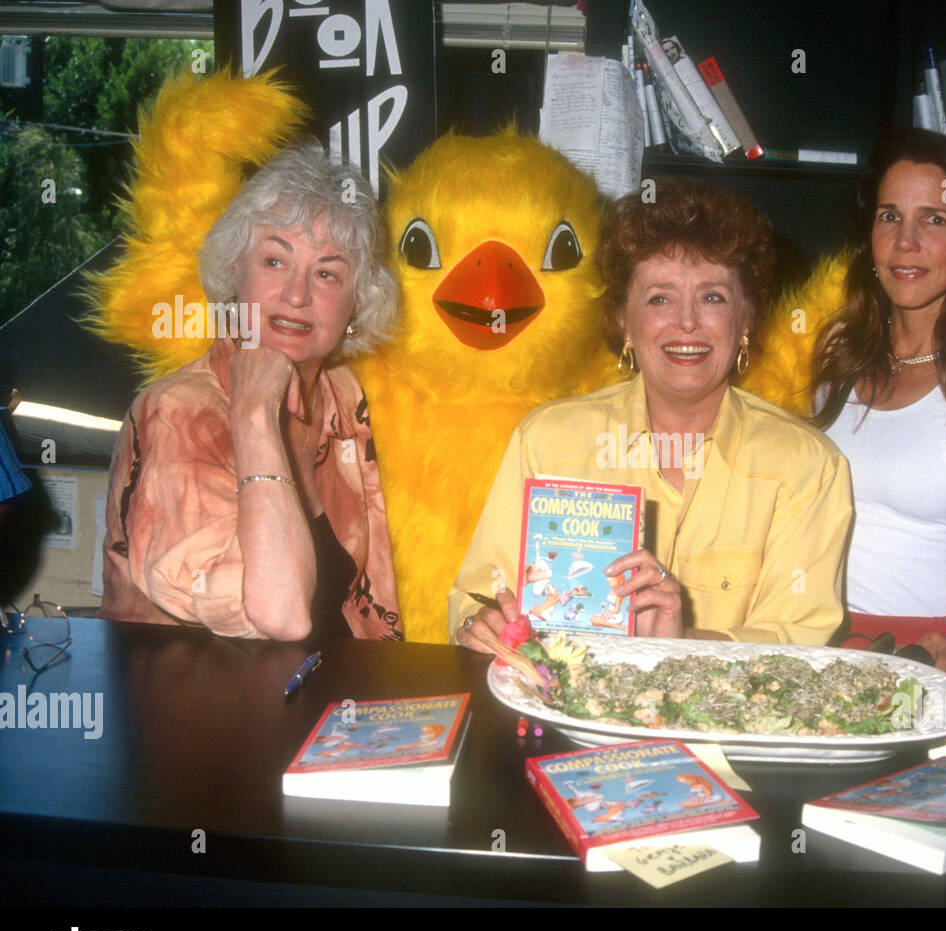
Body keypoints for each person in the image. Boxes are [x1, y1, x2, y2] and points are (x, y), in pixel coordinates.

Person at [452, 177, 852, 647]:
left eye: (713, 297)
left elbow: (800, 645)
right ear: (622, 319)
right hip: (559, 711)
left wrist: (679, 641)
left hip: (718, 718)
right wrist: (480, 626)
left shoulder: (808, 466)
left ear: (746, 319)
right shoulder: (547, 440)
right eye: (659, 297)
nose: (686, 322)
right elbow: (475, 597)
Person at [101, 143, 403, 641]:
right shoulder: (178, 412)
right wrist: (254, 415)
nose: (298, 295)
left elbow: (369, 609)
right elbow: (278, 613)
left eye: (327, 273)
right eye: (274, 261)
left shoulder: (342, 395)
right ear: (233, 273)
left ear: (357, 306)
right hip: (193, 711)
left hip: (324, 701)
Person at [808, 130, 946, 659]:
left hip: (934, 651)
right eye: (889, 215)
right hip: (816, 640)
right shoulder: (835, 358)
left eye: (934, 219)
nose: (905, 241)